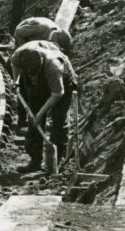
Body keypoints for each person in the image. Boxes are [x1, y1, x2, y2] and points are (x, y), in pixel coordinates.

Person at [10, 40, 76, 173]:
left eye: (35, 74)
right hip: (39, 83)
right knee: (33, 120)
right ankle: (35, 161)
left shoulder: (53, 67)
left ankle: (56, 162)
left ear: (40, 65)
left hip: (63, 83)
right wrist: (16, 80)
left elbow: (57, 93)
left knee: (59, 119)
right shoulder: (18, 56)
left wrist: (40, 115)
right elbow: (15, 65)